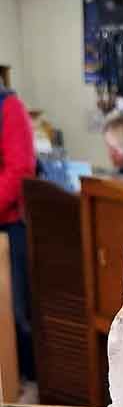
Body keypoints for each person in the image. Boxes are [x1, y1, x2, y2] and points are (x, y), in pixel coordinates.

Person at [0, 86, 36, 381]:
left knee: (15, 313)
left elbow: (20, 170)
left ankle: (22, 382)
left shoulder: (9, 107)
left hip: (8, 227)